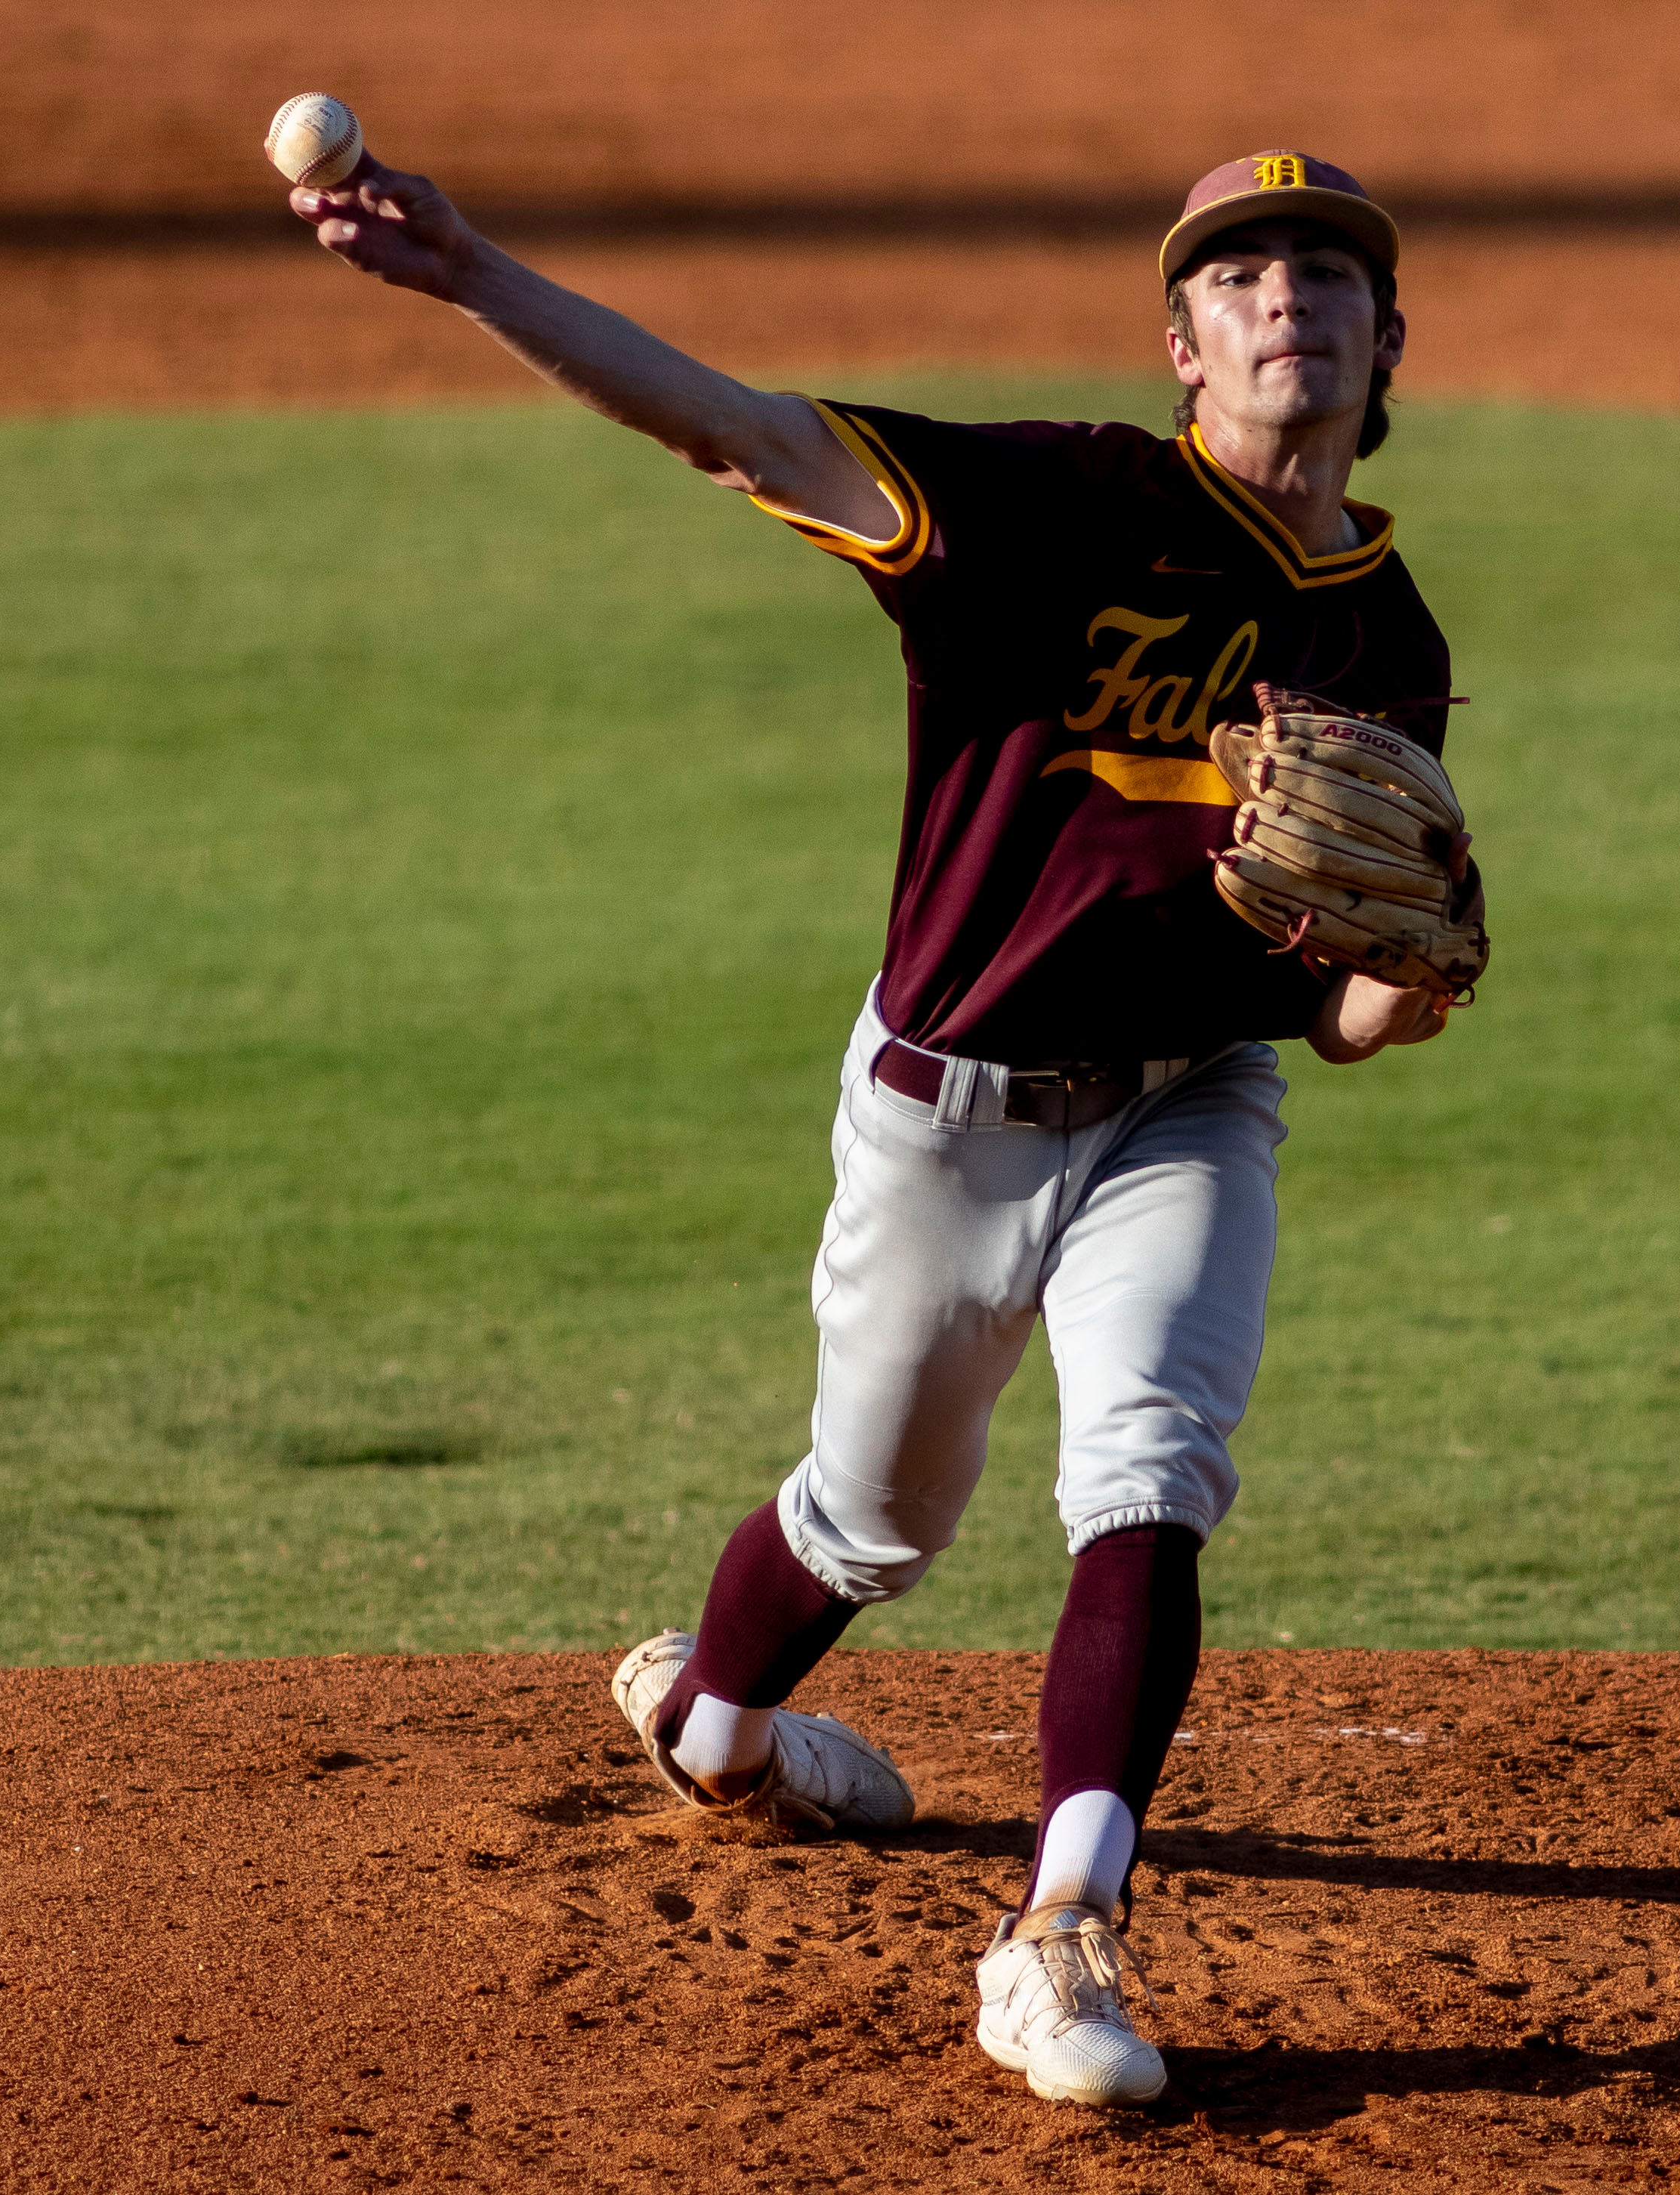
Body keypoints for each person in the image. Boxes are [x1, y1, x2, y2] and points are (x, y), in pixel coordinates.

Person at [286, 144, 1465, 2108]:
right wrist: (478, 269)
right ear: (1181, 340)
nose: (1288, 298)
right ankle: (718, 1720)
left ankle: (1063, 1925)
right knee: (872, 1517)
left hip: (1187, 1107)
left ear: (1382, 339)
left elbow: (1344, 1015)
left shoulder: (1385, 633)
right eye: (1242, 273)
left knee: (1150, 1463)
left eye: (1327, 273)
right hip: (945, 1114)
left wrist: (1416, 982)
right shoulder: (1046, 503)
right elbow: (731, 427)